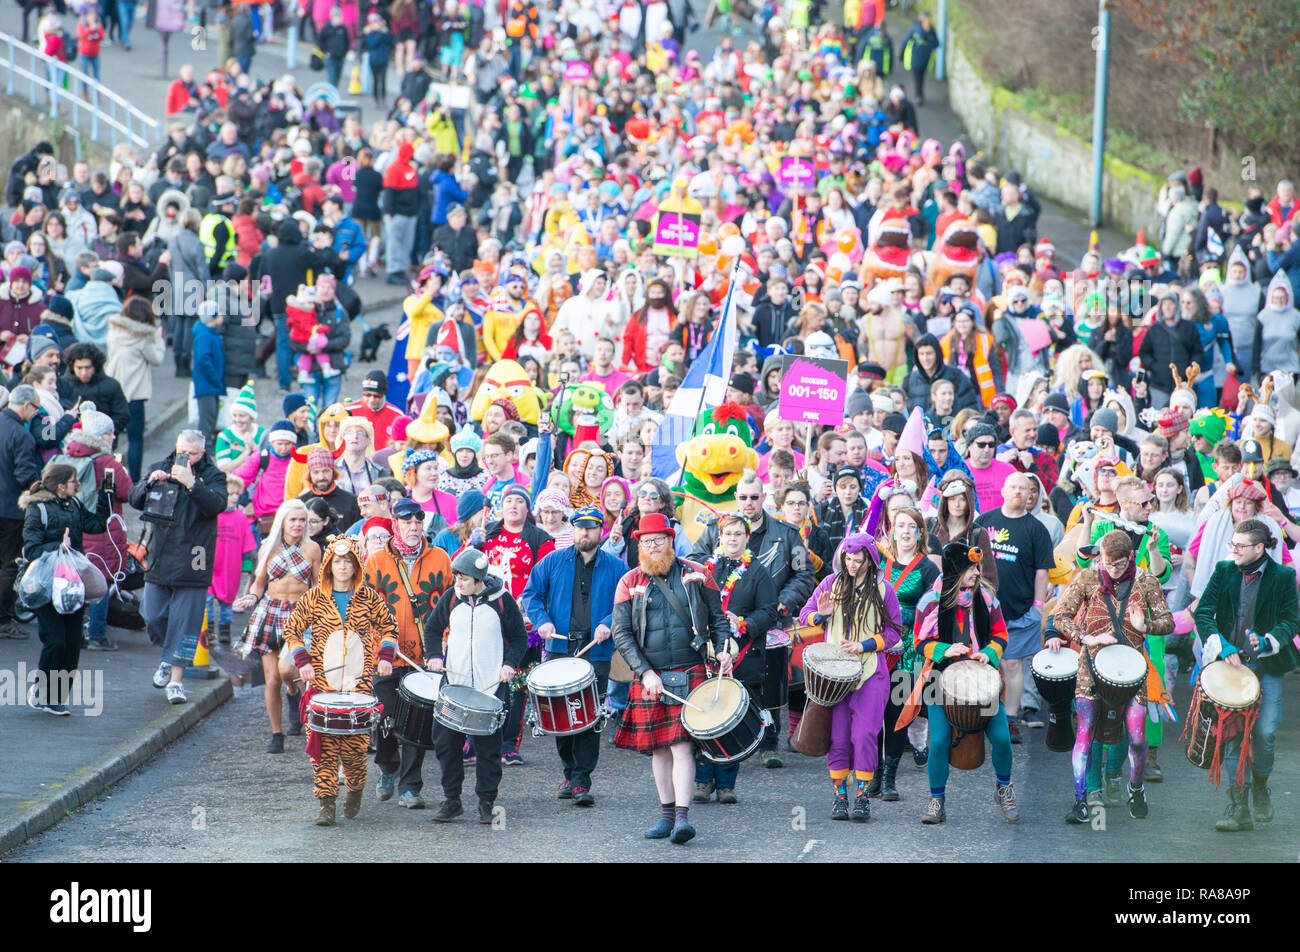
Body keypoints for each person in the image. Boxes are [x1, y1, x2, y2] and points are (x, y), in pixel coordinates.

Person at [612, 512, 732, 845]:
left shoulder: (698, 574)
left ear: (670, 540)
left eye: (659, 540)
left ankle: (682, 818)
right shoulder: (629, 582)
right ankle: (666, 817)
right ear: (639, 545)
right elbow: (622, 634)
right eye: (647, 541)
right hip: (650, 674)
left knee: (681, 746)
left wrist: (723, 649)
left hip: (689, 669)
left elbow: (719, 621)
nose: (653, 546)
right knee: (659, 750)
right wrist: (645, 671)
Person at [1050, 529, 1174, 823]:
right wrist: (1086, 639)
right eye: (1108, 563)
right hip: (1090, 667)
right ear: (1100, 558)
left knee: (1137, 737)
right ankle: (1080, 800)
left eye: (1120, 564)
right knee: (1085, 731)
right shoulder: (1088, 577)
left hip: (1132, 670)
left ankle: (1137, 788)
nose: (1114, 570)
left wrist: (1145, 627)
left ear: (1131, 557)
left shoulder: (1145, 581)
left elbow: (1167, 621)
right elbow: (1060, 617)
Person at [692, 470, 815, 765]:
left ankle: (769, 742)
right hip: (722, 620)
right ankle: (722, 741)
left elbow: (804, 572)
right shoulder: (715, 529)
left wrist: (783, 603)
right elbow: (696, 562)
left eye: (754, 497)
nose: (748, 502)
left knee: (769, 680)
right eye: (743, 497)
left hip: (771, 618)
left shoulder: (787, 534)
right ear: (736, 498)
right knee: (720, 680)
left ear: (764, 498)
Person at [284, 536, 399, 826]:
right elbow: (292, 631)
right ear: (328, 566)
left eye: (348, 561)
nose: (343, 566)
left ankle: (356, 788)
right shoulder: (313, 598)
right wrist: (303, 661)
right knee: (322, 749)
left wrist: (385, 656)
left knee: (354, 750)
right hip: (323, 687)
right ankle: (326, 804)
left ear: (357, 564)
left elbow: (388, 627)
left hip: (358, 688)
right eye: (338, 561)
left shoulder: (369, 597)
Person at [1194, 518, 1300, 832]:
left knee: (1266, 734)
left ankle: (1260, 786)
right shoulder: (1224, 571)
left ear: (1259, 547)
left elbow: (1291, 621)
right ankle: (1238, 805)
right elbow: (1203, 612)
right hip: (1230, 667)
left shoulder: (1283, 576)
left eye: (1240, 546)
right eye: (1233, 544)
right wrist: (1223, 645)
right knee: (1234, 738)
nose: (1233, 550)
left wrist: (1268, 640)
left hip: (1267, 666)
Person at [520, 506, 624, 806]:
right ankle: (569, 773)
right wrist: (542, 622)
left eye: (591, 528)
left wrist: (607, 623)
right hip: (560, 649)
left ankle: (581, 781)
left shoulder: (617, 568)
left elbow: (625, 604)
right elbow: (531, 595)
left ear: (600, 531)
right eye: (580, 527)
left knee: (589, 717)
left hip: (597, 651)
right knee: (561, 716)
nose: (585, 533)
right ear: (573, 529)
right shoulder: (552, 561)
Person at [911, 542, 1019, 824]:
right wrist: (943, 650)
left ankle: (1004, 787)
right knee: (938, 742)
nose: (976, 573)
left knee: (1001, 739)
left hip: (983, 681)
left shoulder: (987, 599)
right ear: (955, 571)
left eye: (976, 568)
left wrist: (988, 652)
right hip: (940, 681)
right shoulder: (930, 602)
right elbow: (918, 642)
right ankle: (937, 800)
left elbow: (1001, 635)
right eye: (970, 568)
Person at [798, 534, 903, 821]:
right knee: (839, 737)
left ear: (870, 560)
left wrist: (864, 644)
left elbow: (895, 632)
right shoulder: (830, 583)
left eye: (858, 560)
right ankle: (839, 797)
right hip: (835, 674)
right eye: (848, 559)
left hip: (870, 670)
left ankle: (862, 796)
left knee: (865, 734)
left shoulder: (884, 590)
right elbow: (804, 615)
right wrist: (819, 616)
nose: (853, 565)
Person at [421, 547, 528, 824]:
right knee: (446, 744)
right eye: (456, 576)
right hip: (454, 685)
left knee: (488, 750)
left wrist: (509, 664)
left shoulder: (502, 600)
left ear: (479, 578)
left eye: (464, 578)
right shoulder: (451, 598)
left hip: (489, 687)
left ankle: (486, 802)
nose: (458, 582)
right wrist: (433, 655)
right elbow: (432, 630)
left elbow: (519, 638)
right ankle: (452, 800)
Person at [364, 496, 453, 807]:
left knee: (416, 723)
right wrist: (380, 651)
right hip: (386, 656)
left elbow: (449, 608)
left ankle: (410, 787)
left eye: (418, 521)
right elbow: (365, 611)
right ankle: (387, 766)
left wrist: (443, 643)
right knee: (386, 719)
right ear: (395, 522)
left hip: (427, 657)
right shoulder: (375, 562)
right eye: (407, 521)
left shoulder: (441, 558)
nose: (414, 526)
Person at [128, 429, 227, 705]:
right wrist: (149, 483)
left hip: (195, 553)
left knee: (186, 620)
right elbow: (135, 499)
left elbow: (217, 504)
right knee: (152, 613)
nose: (185, 457)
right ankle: (166, 657)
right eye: (181, 451)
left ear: (202, 453)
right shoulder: (160, 466)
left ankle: (176, 680)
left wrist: (193, 484)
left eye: (191, 454)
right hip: (162, 551)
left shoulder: (214, 475)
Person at [693, 513, 777, 804]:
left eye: (738, 534)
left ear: (747, 537)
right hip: (709, 654)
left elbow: (769, 612)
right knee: (704, 716)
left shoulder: (758, 572)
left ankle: (726, 784)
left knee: (731, 719)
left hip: (744, 655)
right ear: (720, 537)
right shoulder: (707, 569)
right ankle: (702, 781)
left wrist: (742, 623)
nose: (732, 539)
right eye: (728, 534)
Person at [20, 461, 112, 714]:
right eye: (74, 481)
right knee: (56, 641)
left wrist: (106, 496)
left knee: (72, 643)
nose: (78, 485)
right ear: (60, 486)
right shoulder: (37, 509)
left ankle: (56, 698)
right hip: (46, 586)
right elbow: (31, 549)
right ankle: (41, 689)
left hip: (71, 584)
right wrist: (57, 547)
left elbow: (96, 525)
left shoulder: (74, 504)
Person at [233, 498, 322, 751]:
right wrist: (251, 596)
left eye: (302, 520)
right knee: (272, 679)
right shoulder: (267, 548)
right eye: (293, 519)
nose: (297, 524)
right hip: (271, 611)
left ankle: (294, 693)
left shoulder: (312, 549)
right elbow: (259, 583)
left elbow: (317, 584)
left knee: (286, 671)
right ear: (282, 521)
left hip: (301, 614)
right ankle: (277, 733)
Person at [973, 472, 1053, 742]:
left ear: (1032, 495)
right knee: (982, 664)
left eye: (1026, 488)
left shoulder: (1036, 529)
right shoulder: (984, 522)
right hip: (982, 608)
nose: (1020, 492)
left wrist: (1038, 607)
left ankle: (1009, 720)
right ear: (1003, 490)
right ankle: (980, 716)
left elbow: (1043, 572)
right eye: (1014, 487)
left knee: (1012, 666)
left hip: (1019, 611)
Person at [0, 385, 41, 639]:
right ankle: (3, 619)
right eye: (36, 409)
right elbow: (25, 473)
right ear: (26, 405)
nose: (36, 414)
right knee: (7, 566)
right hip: (10, 510)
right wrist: (42, 489)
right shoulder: (21, 435)